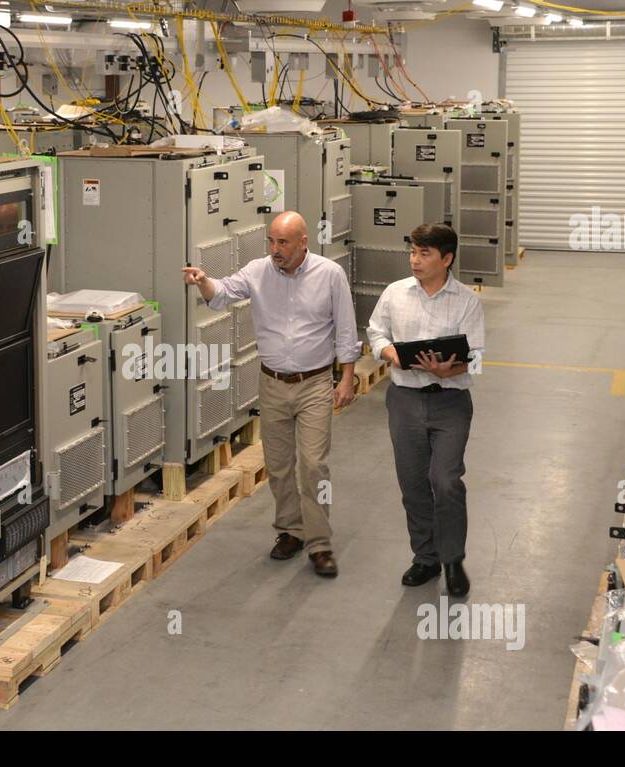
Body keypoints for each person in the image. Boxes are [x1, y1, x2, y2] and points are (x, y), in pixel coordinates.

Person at [183, 211, 361, 578]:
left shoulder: (330, 274)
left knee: (313, 465)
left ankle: (319, 543)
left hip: (314, 383)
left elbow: (345, 329)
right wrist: (203, 281)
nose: (275, 249)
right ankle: (289, 531)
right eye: (271, 241)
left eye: (283, 242)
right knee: (279, 466)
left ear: (303, 242)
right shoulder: (258, 270)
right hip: (272, 383)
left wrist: (346, 378)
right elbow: (222, 295)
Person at [366, 223, 484, 597]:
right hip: (405, 401)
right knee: (413, 484)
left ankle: (452, 559)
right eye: (413, 252)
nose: (415, 260)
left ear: (447, 259)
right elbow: (376, 332)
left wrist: (449, 368)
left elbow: (476, 357)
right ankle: (426, 557)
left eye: (424, 254)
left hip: (450, 402)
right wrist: (391, 355)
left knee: (445, 481)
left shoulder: (467, 301)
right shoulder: (394, 293)